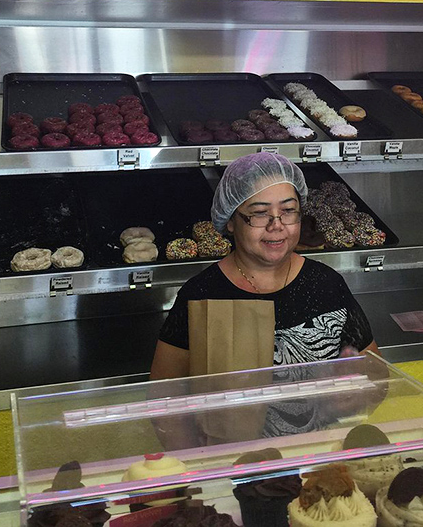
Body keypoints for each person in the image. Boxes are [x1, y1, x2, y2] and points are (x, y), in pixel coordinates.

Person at [150, 152, 379, 382]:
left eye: (288, 211)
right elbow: (163, 404)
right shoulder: (199, 296)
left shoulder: (328, 284)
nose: (276, 226)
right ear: (230, 220)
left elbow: (376, 376)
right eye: (260, 213)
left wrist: (355, 396)